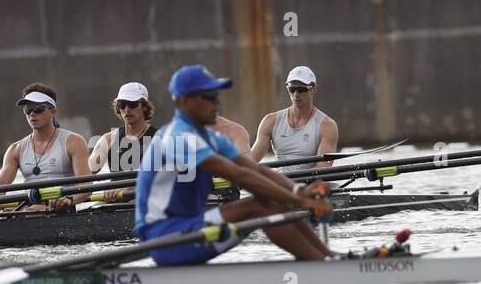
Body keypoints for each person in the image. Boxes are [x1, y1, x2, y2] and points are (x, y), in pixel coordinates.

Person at [134, 65, 337, 266]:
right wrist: (302, 201)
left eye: (216, 94)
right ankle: (325, 264)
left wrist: (299, 191)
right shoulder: (179, 136)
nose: (217, 102)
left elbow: (254, 169)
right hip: (165, 240)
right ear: (185, 102)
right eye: (209, 96)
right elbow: (241, 177)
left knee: (272, 201)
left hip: (189, 228)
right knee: (260, 205)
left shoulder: (210, 138)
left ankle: (330, 257)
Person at [0, 84, 91, 212]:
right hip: (29, 210)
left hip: (61, 212)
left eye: (38, 109)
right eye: (28, 109)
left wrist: (70, 199)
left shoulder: (74, 142)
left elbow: (87, 187)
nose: (32, 114)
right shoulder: (15, 149)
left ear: (53, 111)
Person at [250, 66, 339, 165]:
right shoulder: (270, 121)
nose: (296, 94)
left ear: (314, 89)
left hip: (310, 180)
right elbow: (250, 162)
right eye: (292, 89)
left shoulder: (327, 126)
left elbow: (322, 171)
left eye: (301, 89)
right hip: (278, 179)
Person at [88, 82, 158, 174]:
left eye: (132, 104)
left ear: (144, 106)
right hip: (117, 188)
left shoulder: (160, 138)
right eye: (122, 104)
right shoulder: (109, 139)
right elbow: (87, 171)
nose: (127, 109)